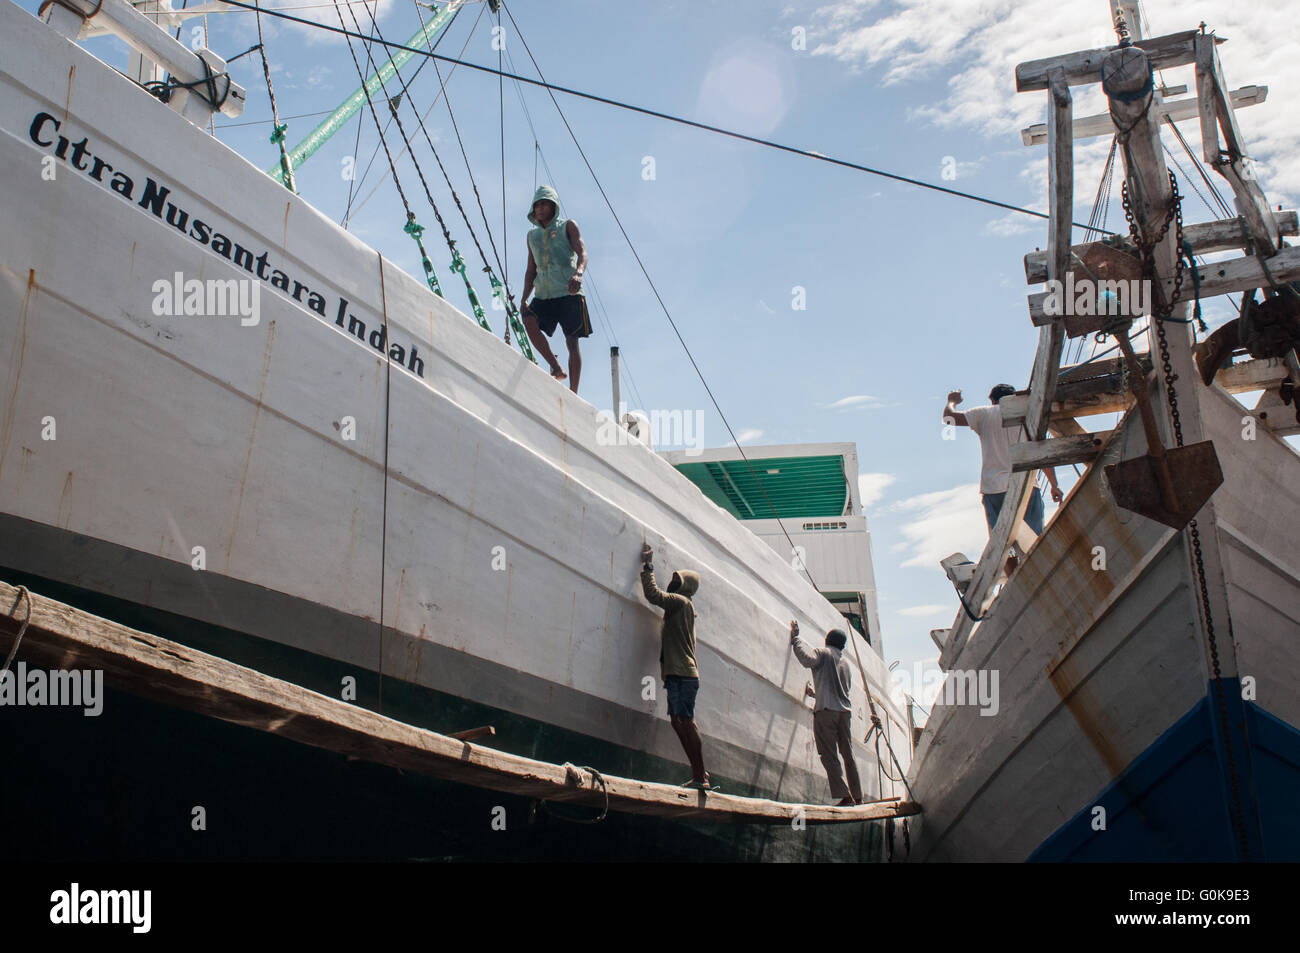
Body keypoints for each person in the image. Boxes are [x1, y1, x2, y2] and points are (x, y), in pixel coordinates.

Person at [944, 384, 1063, 538]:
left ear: (992, 400)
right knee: (1034, 538)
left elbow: (949, 418)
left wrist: (951, 401)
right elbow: (1041, 453)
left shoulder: (983, 414)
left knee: (1001, 543)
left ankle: (1009, 561)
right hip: (1026, 485)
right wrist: (1054, 485)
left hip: (994, 487)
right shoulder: (1027, 415)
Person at [638, 542, 710, 790]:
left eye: (677, 580)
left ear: (685, 585)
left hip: (682, 674)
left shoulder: (680, 602)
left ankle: (700, 776)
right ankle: (700, 774)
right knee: (680, 721)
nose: (674, 582)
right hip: (679, 674)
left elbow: (653, 595)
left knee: (685, 721)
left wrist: (648, 566)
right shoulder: (684, 607)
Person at [520, 185, 590, 394]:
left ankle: (573, 392)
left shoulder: (567, 226)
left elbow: (583, 253)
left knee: (572, 342)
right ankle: (555, 366)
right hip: (544, 294)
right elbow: (531, 270)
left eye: (544, 204)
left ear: (553, 206)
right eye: (537, 205)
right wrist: (524, 298)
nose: (540, 208)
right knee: (528, 319)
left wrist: (578, 274)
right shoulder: (531, 237)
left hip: (569, 292)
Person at [789, 621, 862, 806]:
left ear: (827, 640)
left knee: (828, 754)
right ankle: (858, 795)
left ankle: (845, 796)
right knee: (848, 754)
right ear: (842, 645)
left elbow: (807, 660)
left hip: (826, 712)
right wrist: (816, 693)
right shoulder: (845, 664)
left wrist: (796, 639)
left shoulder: (823, 653)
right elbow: (841, 689)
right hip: (845, 713)